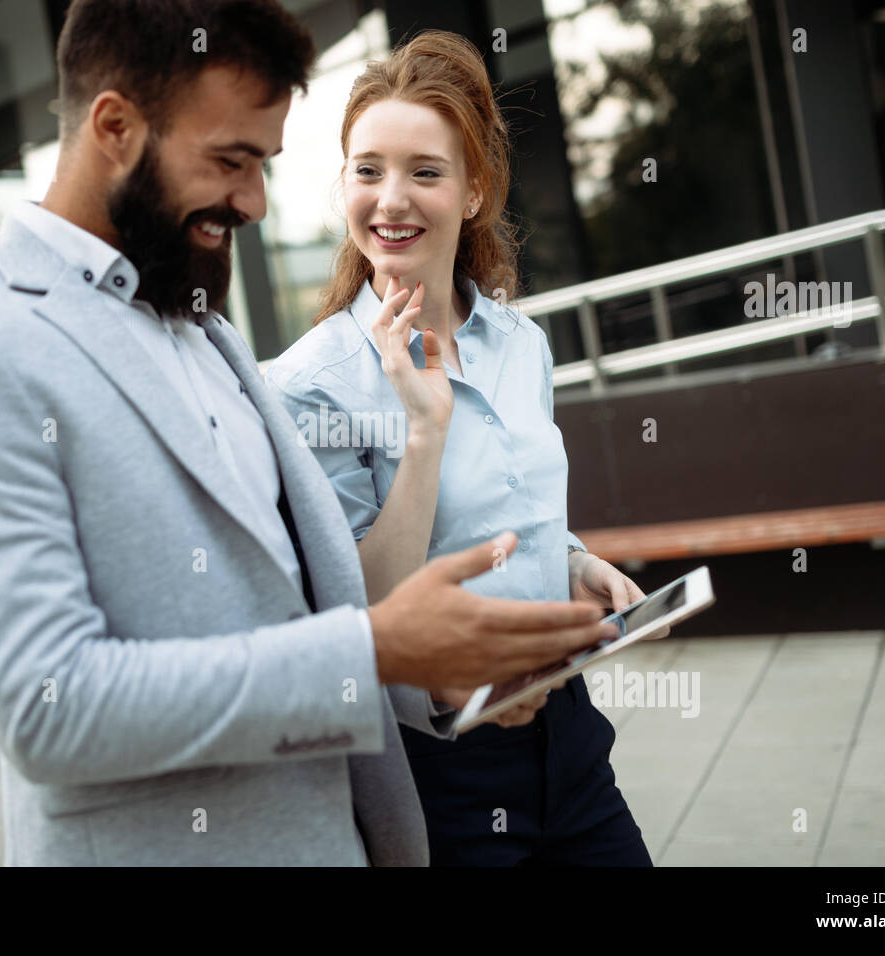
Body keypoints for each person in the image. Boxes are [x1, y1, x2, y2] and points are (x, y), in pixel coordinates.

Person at [0, 0, 616, 866]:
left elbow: (313, 594)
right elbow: (47, 706)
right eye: (230, 160)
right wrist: (377, 648)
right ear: (115, 126)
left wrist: (445, 668)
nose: (253, 200)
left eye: (264, 164)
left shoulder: (206, 330)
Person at [267, 31, 659, 866]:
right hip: (441, 763)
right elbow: (357, 605)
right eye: (367, 169)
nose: (391, 198)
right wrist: (423, 434)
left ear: (475, 191)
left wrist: (576, 561)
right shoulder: (310, 385)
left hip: (569, 731)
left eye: (425, 171)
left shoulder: (522, 343)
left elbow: (517, 503)